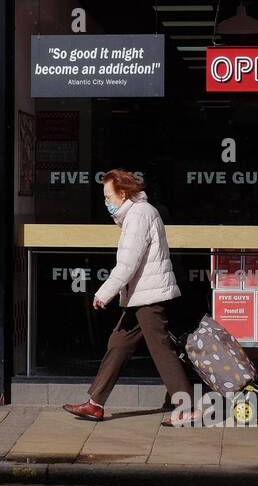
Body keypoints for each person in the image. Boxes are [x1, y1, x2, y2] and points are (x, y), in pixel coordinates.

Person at [62, 169, 203, 425]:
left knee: (161, 349)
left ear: (123, 193)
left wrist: (104, 293)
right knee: (119, 344)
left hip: (148, 296)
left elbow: (128, 263)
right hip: (140, 295)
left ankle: (187, 408)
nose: (106, 202)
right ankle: (95, 403)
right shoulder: (137, 214)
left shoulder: (139, 215)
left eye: (108, 196)